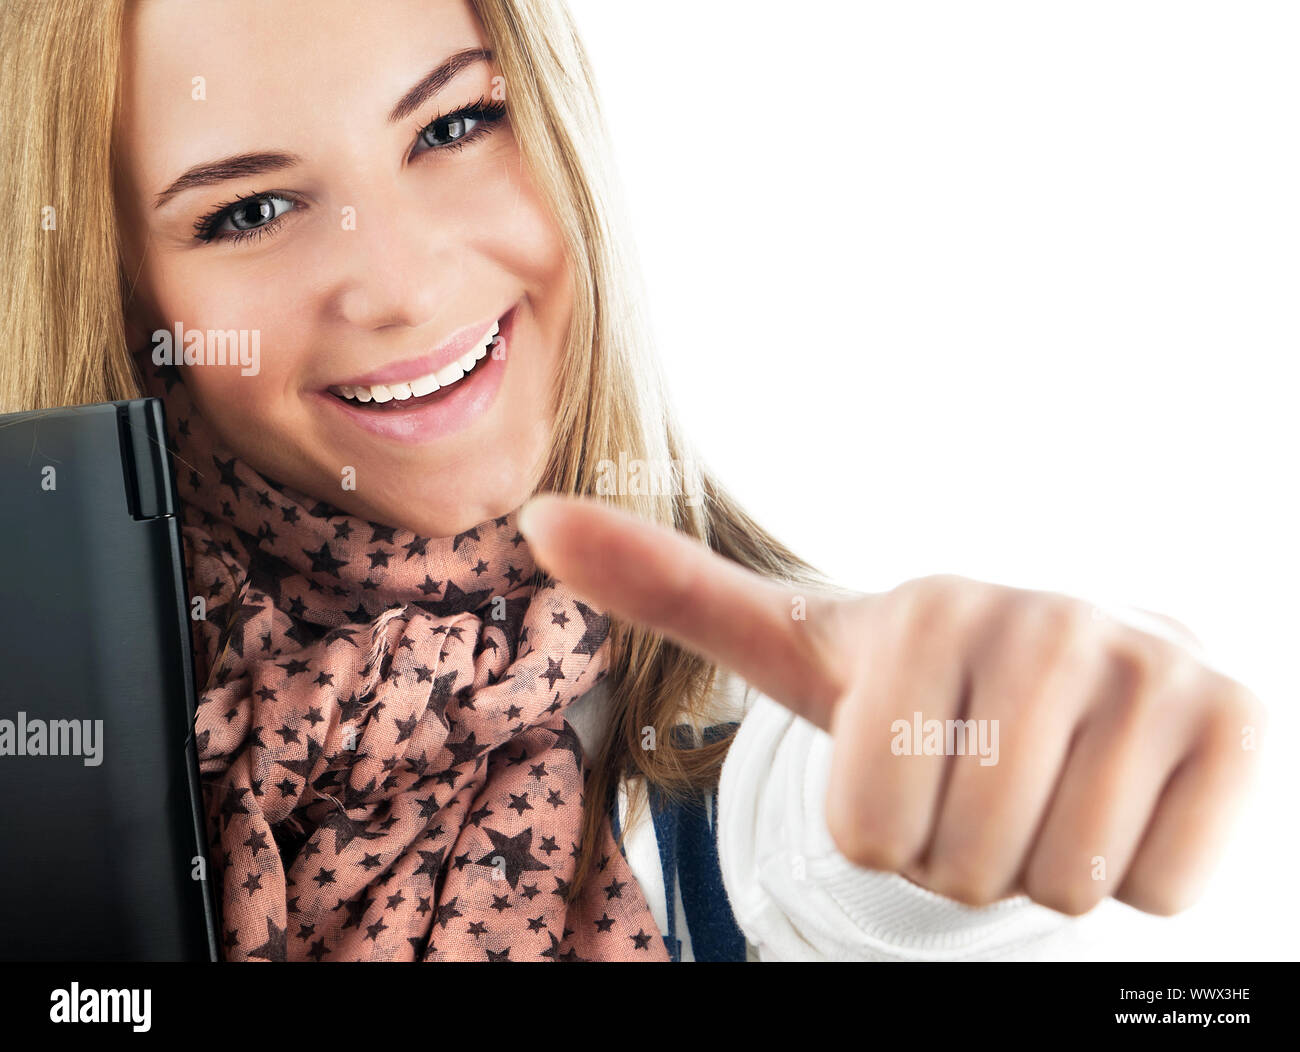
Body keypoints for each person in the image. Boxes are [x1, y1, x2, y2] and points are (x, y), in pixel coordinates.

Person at [0, 0, 1264, 961]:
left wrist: (1039, 720)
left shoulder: (757, 789)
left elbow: (890, 817)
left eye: (452, 125)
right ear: (122, 295)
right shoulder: (56, 756)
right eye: (249, 212)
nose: (401, 284)